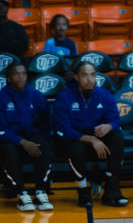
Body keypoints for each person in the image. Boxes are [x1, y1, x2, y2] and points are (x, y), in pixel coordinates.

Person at [54, 61, 128, 207]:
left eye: (93, 75)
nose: (89, 79)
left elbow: (115, 121)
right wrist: (91, 140)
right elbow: (63, 129)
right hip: (75, 138)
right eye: (84, 75)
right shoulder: (64, 97)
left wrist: (109, 126)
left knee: (117, 138)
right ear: (76, 77)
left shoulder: (104, 95)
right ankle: (83, 192)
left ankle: (111, 190)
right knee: (75, 147)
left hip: (98, 136)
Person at [0, 62, 53, 212]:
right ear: (9, 78)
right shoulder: (0, 98)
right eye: (16, 74)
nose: (21, 77)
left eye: (23, 73)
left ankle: (40, 191)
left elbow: (46, 121)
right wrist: (22, 142)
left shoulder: (35, 95)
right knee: (9, 151)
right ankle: (21, 193)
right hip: (8, 139)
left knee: (43, 145)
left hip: (30, 135)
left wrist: (38, 138)